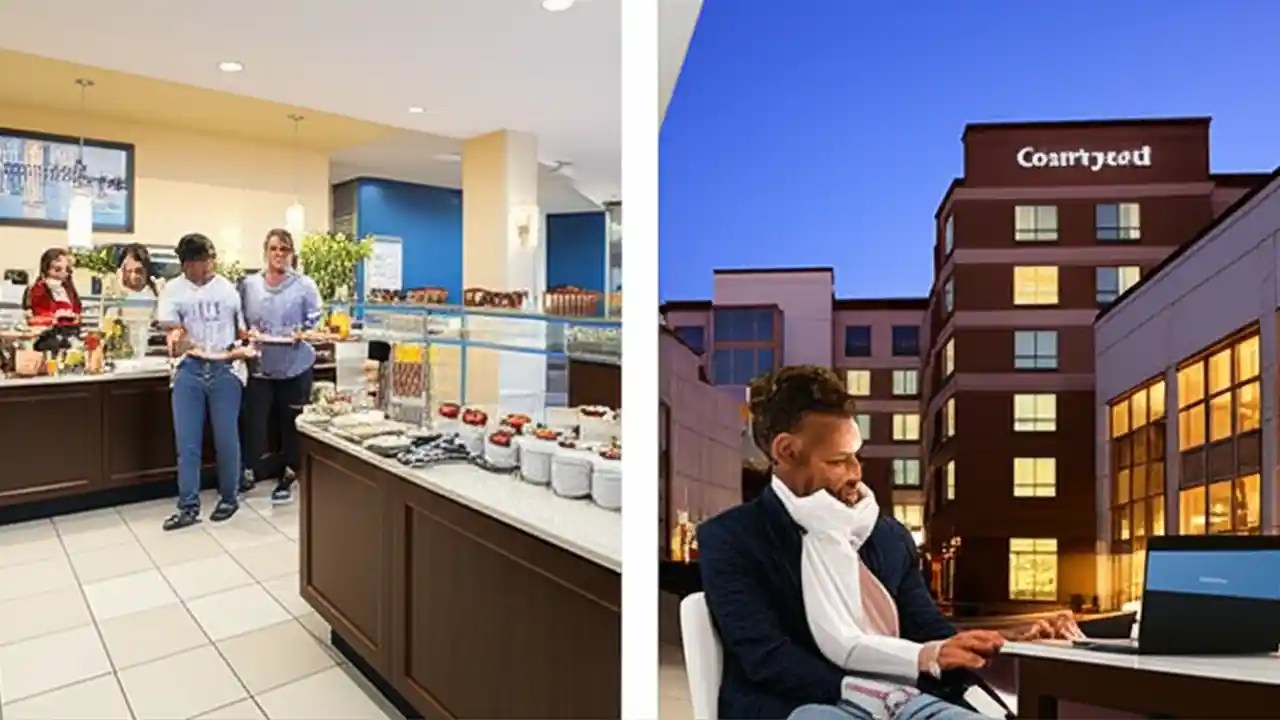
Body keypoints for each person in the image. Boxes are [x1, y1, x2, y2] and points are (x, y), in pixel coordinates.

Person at [697, 366, 1081, 720]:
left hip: (907, 698)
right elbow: (767, 658)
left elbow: (929, 630)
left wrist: (1008, 642)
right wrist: (877, 690)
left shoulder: (886, 535)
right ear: (786, 451)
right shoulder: (732, 538)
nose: (855, 473)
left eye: (856, 457)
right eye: (838, 461)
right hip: (804, 704)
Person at [157, 233, 256, 531]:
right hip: (189, 371)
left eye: (212, 257)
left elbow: (241, 331)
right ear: (188, 263)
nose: (210, 264)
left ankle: (229, 497)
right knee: (187, 442)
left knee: (227, 438)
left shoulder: (227, 290)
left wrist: (242, 347)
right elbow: (174, 337)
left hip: (226, 369)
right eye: (204, 260)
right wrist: (178, 340)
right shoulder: (173, 291)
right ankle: (188, 505)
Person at [239, 228, 321, 503]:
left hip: (295, 364)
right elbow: (240, 322)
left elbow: (315, 322)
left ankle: (289, 472)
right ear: (265, 251)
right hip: (260, 365)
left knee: (291, 423)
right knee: (255, 421)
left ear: (291, 254)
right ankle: (250, 470)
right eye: (274, 248)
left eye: (284, 249)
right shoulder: (249, 285)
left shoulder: (304, 285)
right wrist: (246, 335)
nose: (278, 254)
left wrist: (302, 333)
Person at [26, 247, 83, 326]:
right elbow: (38, 314)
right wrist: (57, 317)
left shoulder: (68, 289)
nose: (62, 265)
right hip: (49, 332)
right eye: (58, 260)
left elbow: (77, 310)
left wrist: (74, 317)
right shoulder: (39, 288)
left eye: (67, 269)